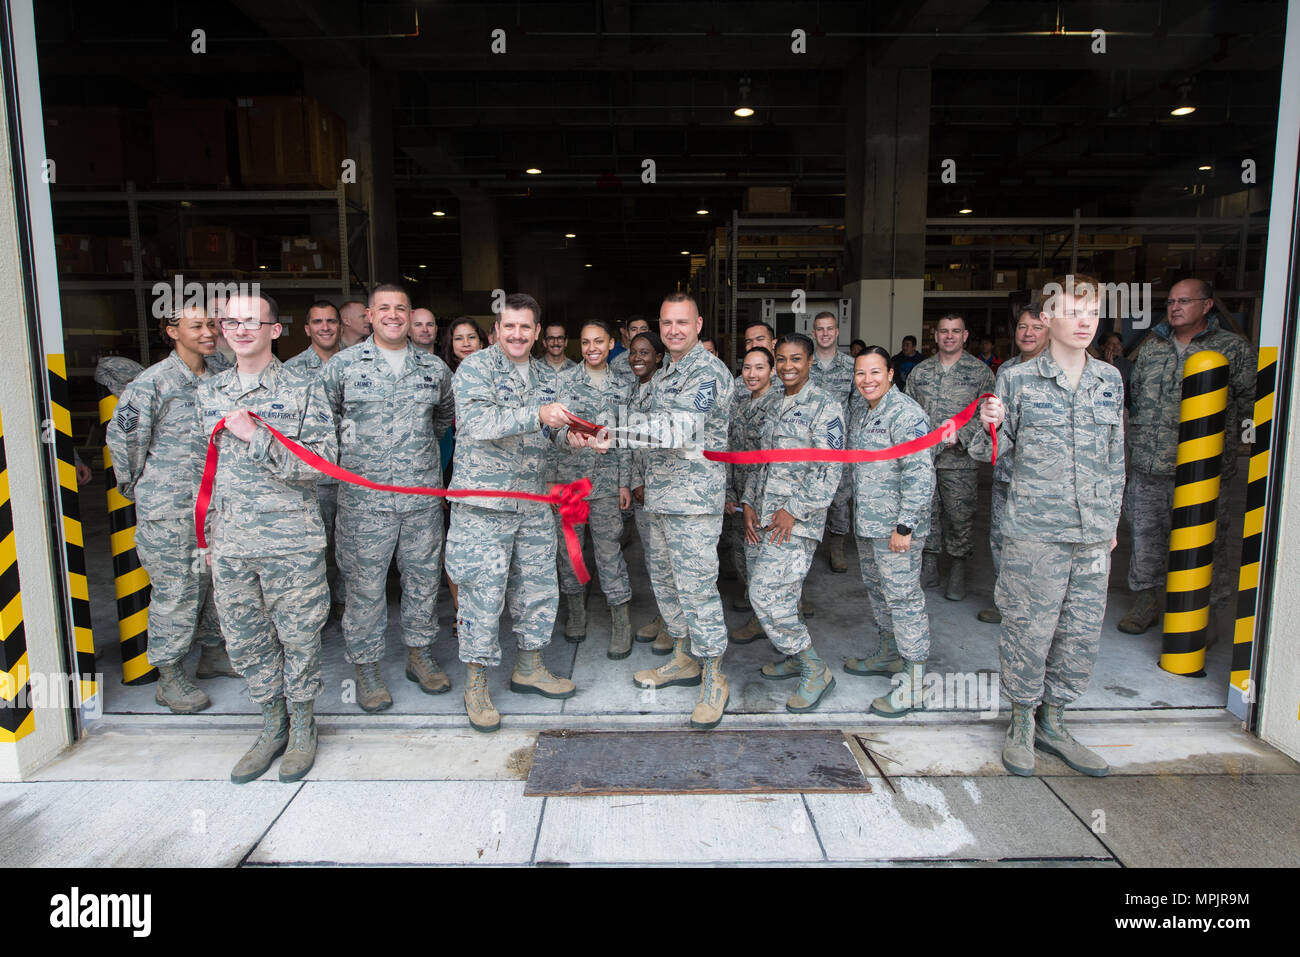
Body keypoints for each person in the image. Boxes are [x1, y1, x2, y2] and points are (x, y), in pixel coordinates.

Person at [972, 273, 1125, 777]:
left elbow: (1114, 458)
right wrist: (988, 423)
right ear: (1046, 318)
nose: (1084, 322)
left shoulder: (1109, 380)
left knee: (1080, 633)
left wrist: (1112, 521)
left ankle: (1054, 721)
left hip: (1093, 533)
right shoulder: (1016, 380)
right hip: (1034, 533)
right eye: (1072, 311)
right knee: (1028, 629)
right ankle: (1020, 720)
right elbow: (987, 454)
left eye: (1092, 312)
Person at [197, 292, 337, 784]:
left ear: (275, 330)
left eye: (252, 322)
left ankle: (302, 725)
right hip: (233, 542)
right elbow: (203, 473)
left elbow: (320, 465)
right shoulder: (208, 392)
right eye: (231, 322)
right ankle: (271, 724)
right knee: (246, 640)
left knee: (298, 637)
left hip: (291, 541)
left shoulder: (304, 389)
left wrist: (255, 438)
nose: (240, 330)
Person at [445, 293, 602, 733]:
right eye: (508, 327)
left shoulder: (547, 379)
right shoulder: (476, 368)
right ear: (497, 330)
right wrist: (537, 414)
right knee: (482, 594)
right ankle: (476, 683)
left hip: (532, 503)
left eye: (525, 328)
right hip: (484, 506)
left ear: (537, 333)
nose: (516, 335)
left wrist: (572, 439)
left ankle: (529, 667)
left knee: (536, 588)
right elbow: (477, 423)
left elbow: (551, 432)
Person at [321, 283, 456, 712]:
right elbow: (325, 427)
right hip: (364, 502)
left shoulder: (434, 369)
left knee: (422, 581)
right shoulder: (341, 367)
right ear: (369, 317)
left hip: (420, 499)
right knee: (364, 588)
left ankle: (420, 654)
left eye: (402, 308)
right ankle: (367, 669)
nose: (394, 315)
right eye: (385, 308)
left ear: (411, 314)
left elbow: (442, 420)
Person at [106, 306, 239, 715]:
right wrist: (141, 488)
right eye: (196, 326)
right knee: (177, 592)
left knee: (218, 585)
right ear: (172, 332)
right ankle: (169, 675)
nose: (207, 332)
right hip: (171, 511)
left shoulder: (220, 380)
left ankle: (215, 654)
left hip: (218, 506)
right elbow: (125, 442)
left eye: (211, 325)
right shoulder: (151, 384)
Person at [1119, 279, 1255, 641]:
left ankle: (1202, 610)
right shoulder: (1151, 348)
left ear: (1207, 305)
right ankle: (1147, 601)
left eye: (1184, 301)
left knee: (1207, 541)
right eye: (1171, 301)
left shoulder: (1232, 349)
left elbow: (1250, 403)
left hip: (1203, 472)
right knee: (1145, 538)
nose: (1175, 307)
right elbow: (1134, 400)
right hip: (1150, 465)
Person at [626, 293, 735, 730]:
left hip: (693, 503)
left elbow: (674, 428)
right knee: (667, 582)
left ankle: (713, 676)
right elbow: (637, 415)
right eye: (666, 322)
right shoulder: (666, 370)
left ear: (699, 324)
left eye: (682, 322)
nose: (673, 330)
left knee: (697, 590)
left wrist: (610, 432)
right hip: (660, 498)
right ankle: (683, 658)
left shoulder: (707, 374)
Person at [742, 334, 843, 713]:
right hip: (763, 517)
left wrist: (794, 510)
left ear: (811, 361)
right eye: (781, 360)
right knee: (779, 594)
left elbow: (829, 468)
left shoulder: (824, 406)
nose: (787, 367)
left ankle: (813, 668)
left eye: (795, 359)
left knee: (766, 594)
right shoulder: (775, 403)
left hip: (794, 522)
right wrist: (750, 502)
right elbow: (762, 460)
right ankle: (790, 652)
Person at [835, 345, 935, 716]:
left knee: (905, 600)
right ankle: (890, 653)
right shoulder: (862, 410)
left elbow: (920, 473)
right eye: (860, 373)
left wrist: (905, 525)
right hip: (870, 525)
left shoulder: (906, 413)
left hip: (897, 528)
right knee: (880, 593)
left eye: (875, 372)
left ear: (891, 374)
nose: (867, 380)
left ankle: (915, 679)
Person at [555, 319, 635, 656]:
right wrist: (567, 438)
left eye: (599, 341)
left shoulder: (623, 386)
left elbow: (628, 438)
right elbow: (551, 432)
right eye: (586, 342)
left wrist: (625, 483)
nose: (592, 348)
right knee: (571, 552)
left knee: (609, 553)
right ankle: (576, 614)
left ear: (611, 343)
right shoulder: (563, 382)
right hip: (571, 483)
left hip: (605, 483)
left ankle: (621, 622)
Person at [904, 314, 994, 601]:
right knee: (925, 513)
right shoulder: (920, 372)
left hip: (961, 461)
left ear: (965, 336)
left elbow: (989, 414)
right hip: (925, 461)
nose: (949, 336)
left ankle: (957, 568)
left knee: (960, 515)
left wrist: (961, 434)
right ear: (936, 335)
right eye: (944, 331)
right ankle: (929, 565)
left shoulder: (981, 373)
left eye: (955, 331)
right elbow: (908, 412)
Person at [978, 303, 1049, 624]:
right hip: (1008, 473)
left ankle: (1036, 607)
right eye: (1022, 327)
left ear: (1049, 331)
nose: (1028, 333)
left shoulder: (1056, 371)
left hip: (1043, 481)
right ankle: (1005, 600)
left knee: (1039, 544)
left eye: (1036, 327)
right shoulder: (1006, 370)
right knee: (1001, 538)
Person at [285, 300, 345, 614]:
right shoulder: (289, 372)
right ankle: (314, 612)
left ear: (341, 326)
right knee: (313, 549)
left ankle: (344, 605)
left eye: (331, 321)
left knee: (352, 551)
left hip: (354, 476)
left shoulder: (356, 364)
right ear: (307, 328)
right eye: (318, 322)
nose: (325, 327)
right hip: (313, 480)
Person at [725, 346, 780, 644]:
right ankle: (760, 616)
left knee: (767, 564)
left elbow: (768, 461)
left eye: (760, 368)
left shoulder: (778, 405)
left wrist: (749, 499)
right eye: (747, 368)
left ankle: (775, 623)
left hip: (764, 499)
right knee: (743, 556)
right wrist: (729, 492)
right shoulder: (740, 403)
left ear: (772, 371)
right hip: (739, 498)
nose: (752, 374)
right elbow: (731, 451)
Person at [437, 316, 487, 628]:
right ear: (451, 345)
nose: (466, 344)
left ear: (483, 341)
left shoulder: (496, 374)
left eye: (471, 338)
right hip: (451, 467)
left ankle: (485, 610)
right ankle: (460, 612)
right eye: (459, 339)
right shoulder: (442, 377)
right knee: (457, 546)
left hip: (488, 471)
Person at [626, 331, 673, 653]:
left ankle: (676, 624)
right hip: (643, 491)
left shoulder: (666, 391)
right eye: (633, 353)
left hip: (665, 490)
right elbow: (629, 443)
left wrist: (647, 482)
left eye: (645, 353)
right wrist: (633, 481)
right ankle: (665, 613)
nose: (638, 358)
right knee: (655, 560)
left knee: (671, 560)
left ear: (659, 357)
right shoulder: (633, 390)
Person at [809, 310, 857, 573]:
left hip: (840, 448)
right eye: (820, 329)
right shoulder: (804, 364)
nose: (825, 333)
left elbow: (859, 407)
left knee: (840, 500)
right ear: (813, 333)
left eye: (830, 329)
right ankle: (808, 545)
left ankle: (837, 547)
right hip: (809, 448)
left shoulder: (851, 367)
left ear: (837, 332)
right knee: (811, 497)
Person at [1099, 331, 1133, 407]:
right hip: (1101, 405)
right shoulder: (1095, 363)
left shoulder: (1126, 364)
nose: (1116, 347)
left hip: (1121, 406)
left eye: (1118, 344)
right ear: (1103, 347)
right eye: (1112, 344)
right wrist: (1109, 365)